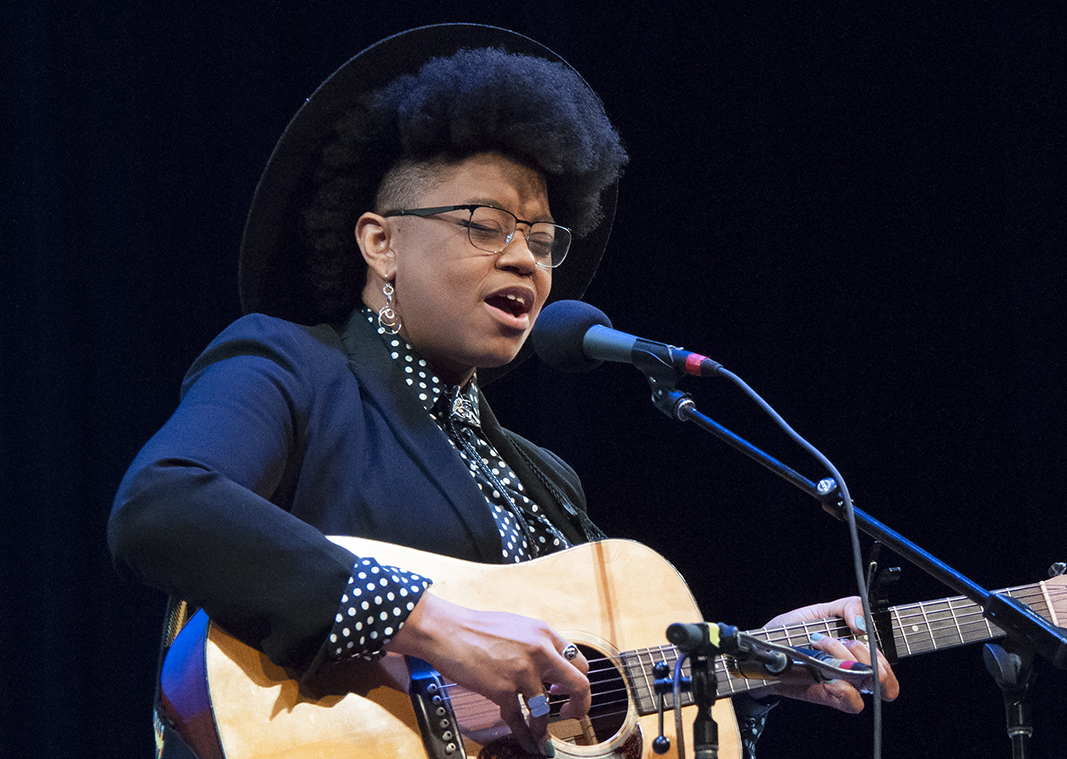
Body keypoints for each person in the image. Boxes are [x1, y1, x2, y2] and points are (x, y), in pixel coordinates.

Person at [108, 24, 897, 759]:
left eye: (543, 239)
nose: (526, 260)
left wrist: (756, 662)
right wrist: (425, 621)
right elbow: (161, 504)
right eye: (486, 225)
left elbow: (599, 698)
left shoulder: (545, 480)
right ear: (380, 242)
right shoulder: (293, 367)